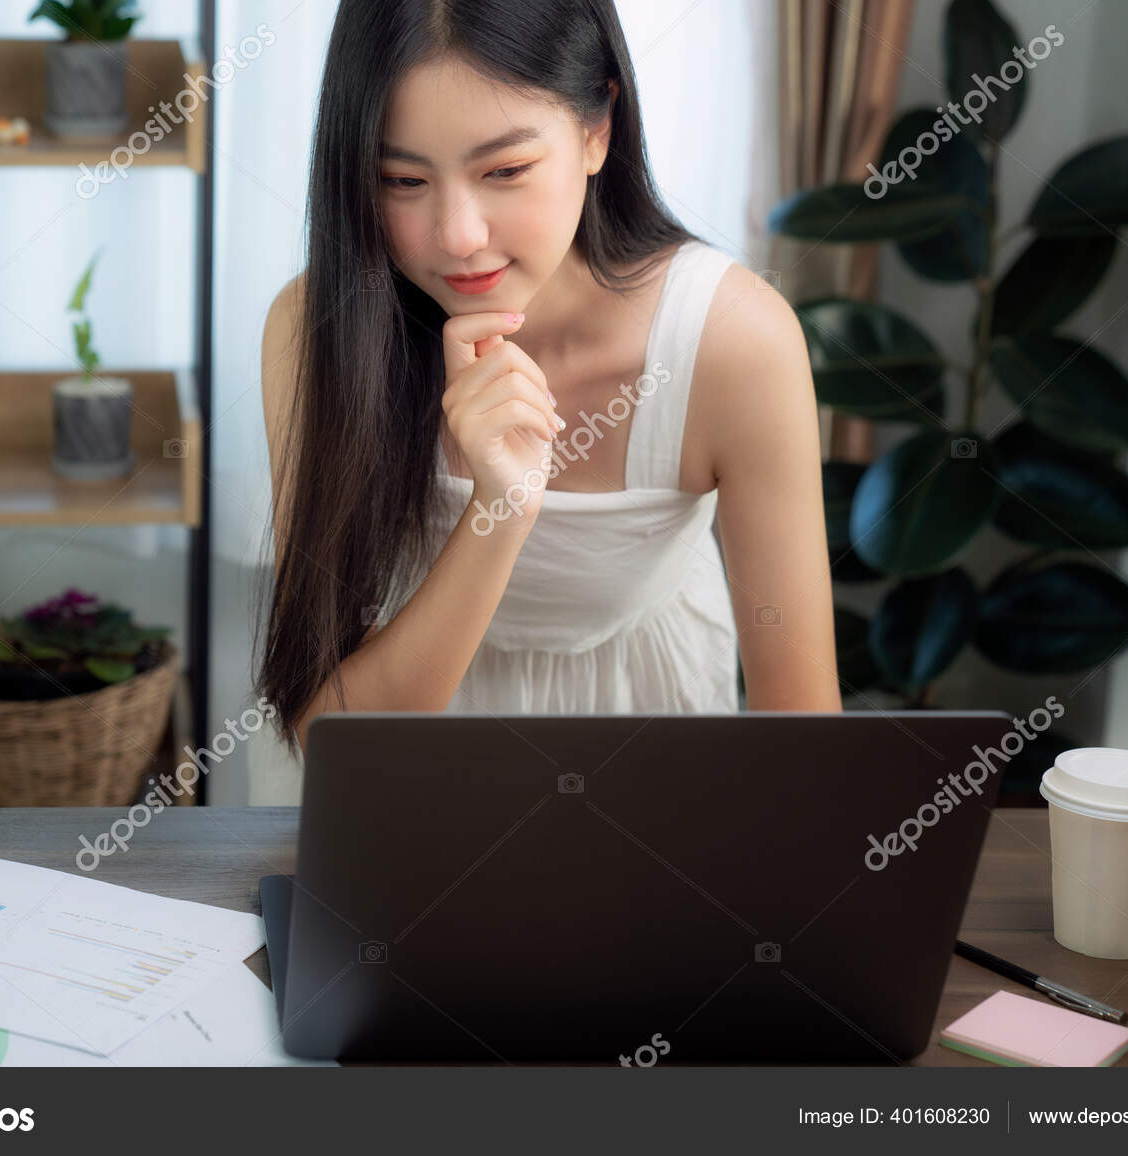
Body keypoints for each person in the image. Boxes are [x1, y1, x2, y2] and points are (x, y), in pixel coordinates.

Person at [255, 0, 840, 772]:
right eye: (402, 180)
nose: (458, 235)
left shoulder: (732, 340)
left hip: (656, 800)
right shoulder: (317, 326)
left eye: (505, 171)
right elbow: (325, 735)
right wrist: (500, 509)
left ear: (597, 131)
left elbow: (806, 746)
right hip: (408, 803)